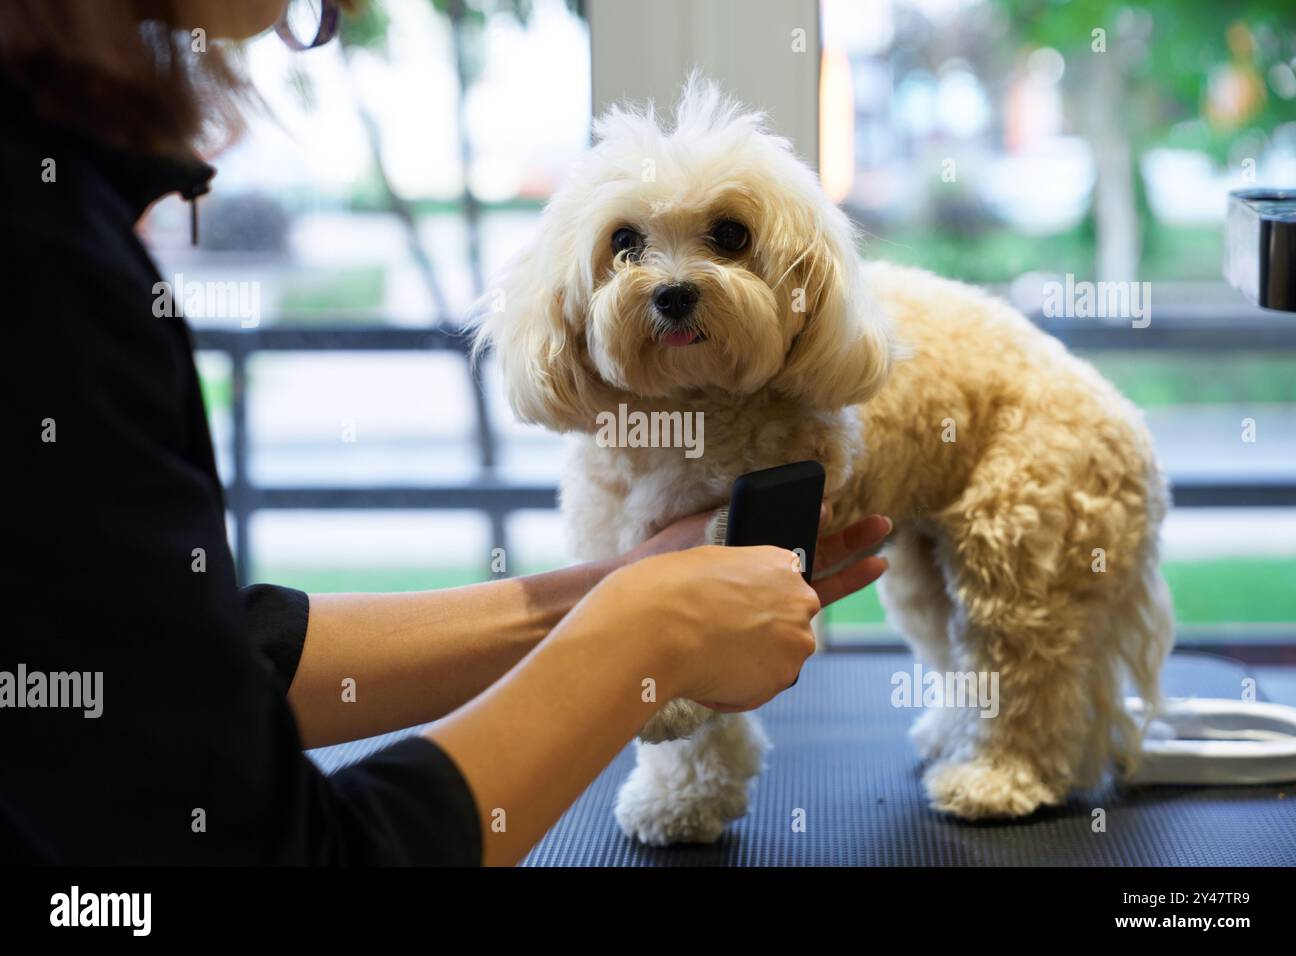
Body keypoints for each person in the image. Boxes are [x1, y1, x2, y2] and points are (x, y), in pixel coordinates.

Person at [0, 0, 890, 866]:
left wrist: (615, 592)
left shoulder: (58, 207)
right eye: (627, 247)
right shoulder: (44, 253)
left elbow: (173, 664)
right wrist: (638, 639)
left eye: (728, 237)